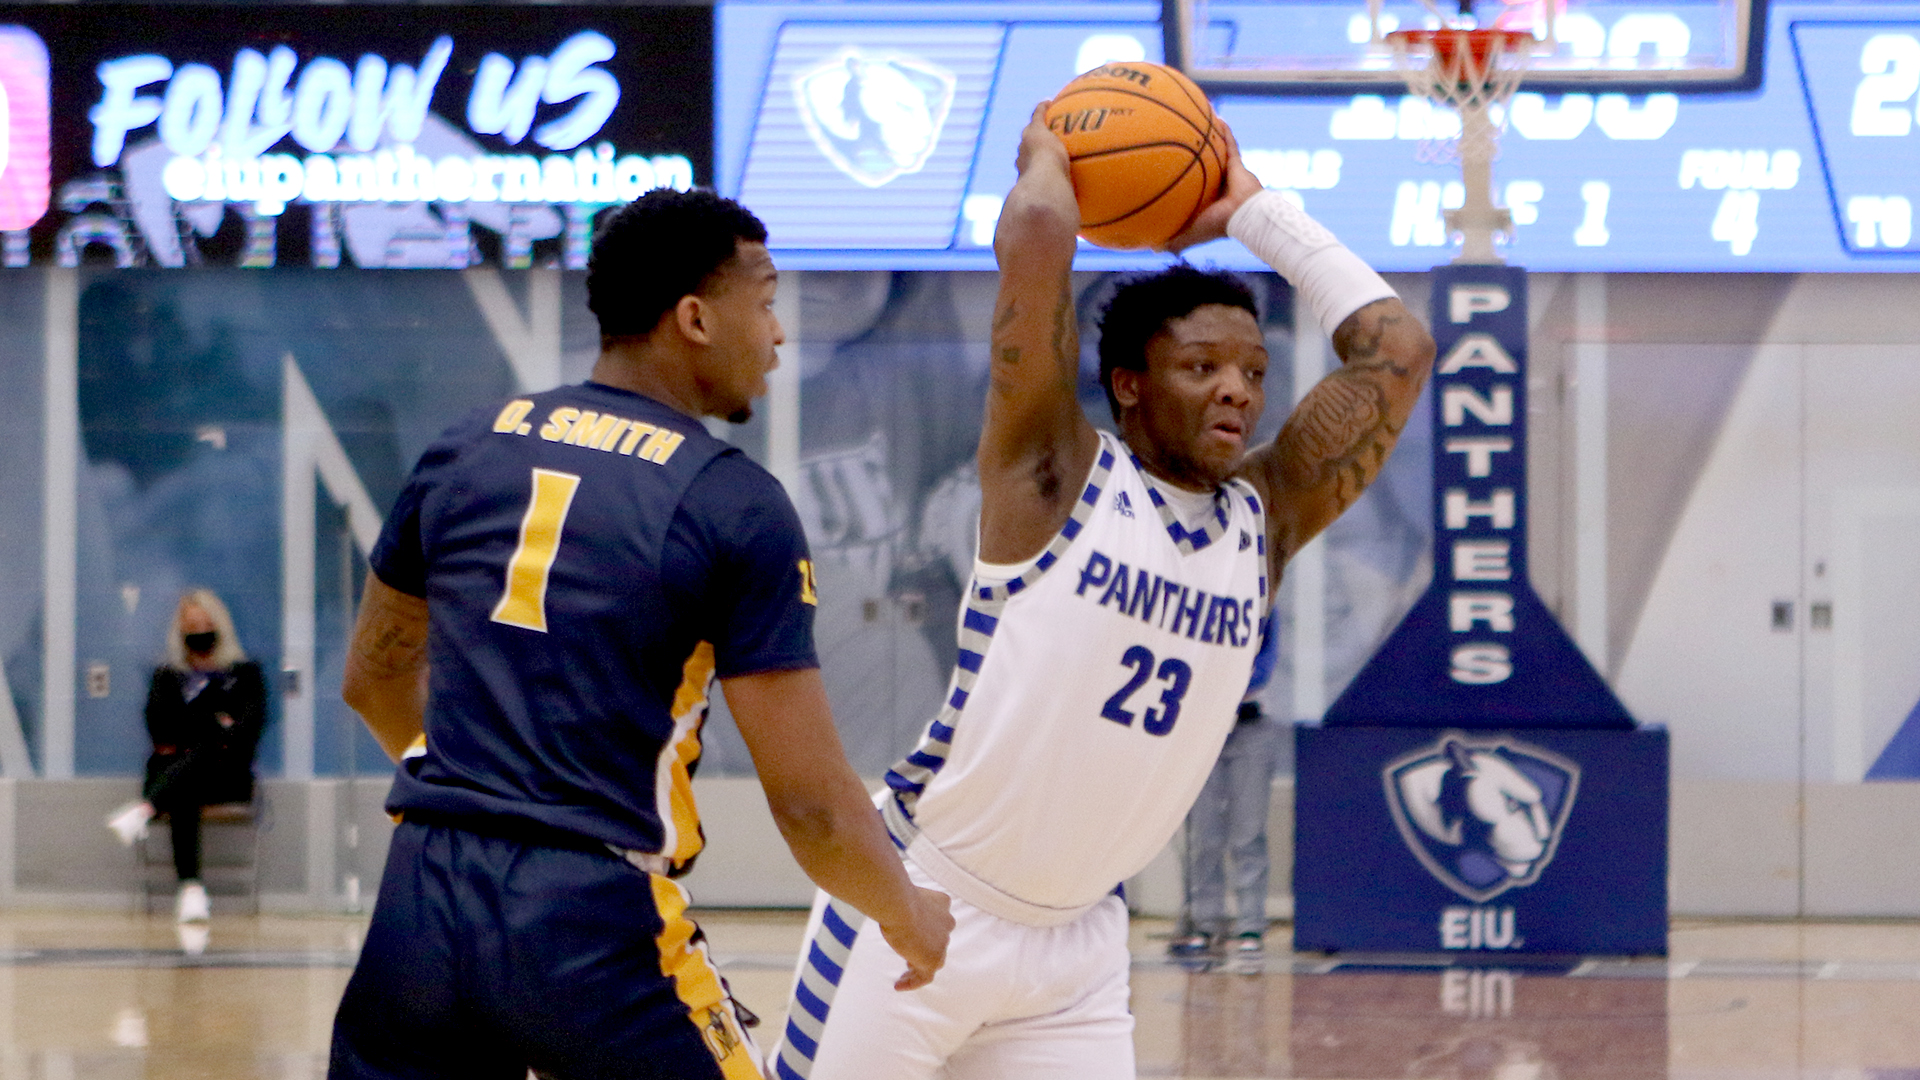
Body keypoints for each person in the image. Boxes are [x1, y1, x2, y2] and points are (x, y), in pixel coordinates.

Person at [770, 104, 1433, 1079]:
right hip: (923, 899)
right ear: (1127, 384)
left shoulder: (1265, 522)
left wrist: (1251, 209)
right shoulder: (1054, 475)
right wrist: (1049, 153)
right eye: (1200, 368)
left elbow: (1400, 350)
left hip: (1080, 948)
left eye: (1251, 370)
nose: (1237, 392)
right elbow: (1037, 246)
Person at [327, 189, 952, 1080]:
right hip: (588, 918)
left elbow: (372, 680)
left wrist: (487, 789)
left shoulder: (467, 447)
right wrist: (906, 911)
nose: (779, 335)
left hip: (422, 890)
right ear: (695, 318)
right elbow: (812, 805)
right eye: (766, 303)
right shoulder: (729, 500)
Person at [106, 589, 267, 924]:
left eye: (205, 624)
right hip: (177, 774)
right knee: (188, 780)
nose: (199, 632)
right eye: (191, 626)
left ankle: (144, 811)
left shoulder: (246, 674)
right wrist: (216, 722)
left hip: (227, 776)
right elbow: (159, 726)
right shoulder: (167, 677)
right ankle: (191, 890)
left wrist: (202, 729)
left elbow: (246, 731)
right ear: (180, 632)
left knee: (200, 755)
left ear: (220, 626)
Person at [1169, 617, 1284, 959]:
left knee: (1248, 833)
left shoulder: (1264, 606)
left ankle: (1251, 923)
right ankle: (1205, 922)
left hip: (1249, 721)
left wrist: (1226, 682)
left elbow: (1265, 663)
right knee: (1204, 834)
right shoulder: (1200, 603)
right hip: (1203, 723)